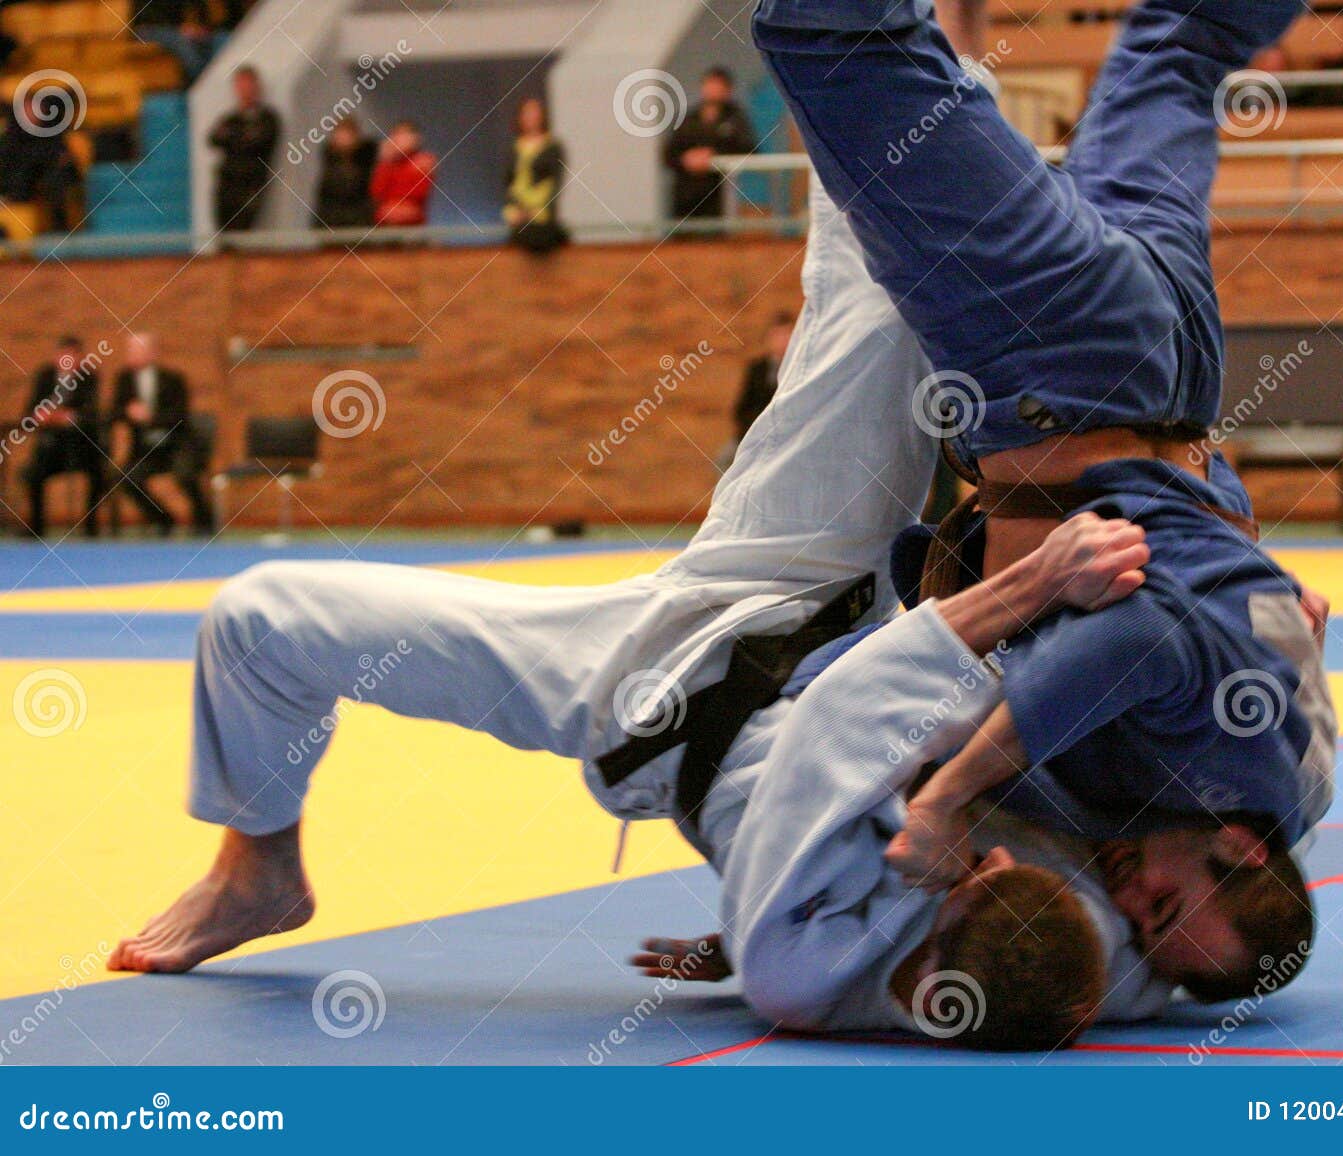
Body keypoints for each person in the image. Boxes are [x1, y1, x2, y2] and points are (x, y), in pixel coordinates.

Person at [106, 173, 1173, 1049]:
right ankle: (910, 55)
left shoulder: (803, 971)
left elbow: (855, 712)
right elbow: (1210, 940)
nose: (989, 852)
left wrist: (1037, 583)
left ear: (936, 953)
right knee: (877, 284)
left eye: (977, 872)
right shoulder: (1080, 964)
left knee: (259, 615)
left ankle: (260, 868)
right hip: (817, 581)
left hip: (650, 689)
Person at [750, 0, 1335, 1001]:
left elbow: (1268, 608)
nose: (1130, 904)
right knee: (827, 36)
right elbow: (1131, 642)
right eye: (1161, 908)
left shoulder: (1278, 772)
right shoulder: (1227, 763)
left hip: (1169, 373)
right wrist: (945, 800)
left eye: (1141, 933)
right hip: (1058, 361)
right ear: (1239, 848)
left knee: (1181, 42)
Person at [110, 333, 215, 537]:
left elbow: (180, 415)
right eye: (130, 350)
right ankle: (162, 518)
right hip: (145, 449)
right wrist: (128, 413)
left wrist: (150, 417)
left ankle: (203, 520)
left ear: (151, 352)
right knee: (126, 477)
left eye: (137, 350)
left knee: (185, 474)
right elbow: (113, 412)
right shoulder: (124, 379)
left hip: (176, 444)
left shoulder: (173, 379)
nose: (132, 355)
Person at [21, 337, 106, 540]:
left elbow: (89, 414)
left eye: (72, 356)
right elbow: (31, 412)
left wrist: (63, 417)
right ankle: (36, 527)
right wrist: (44, 417)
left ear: (79, 357)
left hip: (82, 446)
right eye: (62, 355)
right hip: (51, 448)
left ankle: (91, 527)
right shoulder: (45, 377)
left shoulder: (89, 378)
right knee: (32, 474)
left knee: (100, 473)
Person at [663, 66, 756, 222]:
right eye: (710, 85)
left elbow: (749, 150)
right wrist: (687, 160)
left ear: (728, 90)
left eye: (719, 86)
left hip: (718, 196)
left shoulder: (736, 119)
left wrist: (714, 157)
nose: (713, 90)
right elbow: (668, 154)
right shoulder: (688, 119)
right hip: (686, 196)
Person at [717, 311, 794, 471]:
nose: (783, 341)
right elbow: (742, 408)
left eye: (788, 335)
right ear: (770, 338)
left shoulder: (798, 369)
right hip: (754, 435)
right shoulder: (757, 370)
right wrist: (751, 434)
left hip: (788, 436)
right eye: (778, 335)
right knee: (725, 459)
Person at [207, 66, 280, 232]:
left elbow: (258, 142)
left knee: (245, 234)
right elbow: (213, 139)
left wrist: (233, 138)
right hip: (227, 185)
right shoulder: (230, 118)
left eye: (248, 84)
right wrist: (240, 137)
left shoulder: (268, 117)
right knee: (224, 234)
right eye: (240, 85)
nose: (245, 89)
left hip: (251, 186)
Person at [0, 101, 82, 232]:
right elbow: (8, 162)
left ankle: (59, 230)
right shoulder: (11, 136)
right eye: (27, 110)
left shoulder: (53, 132)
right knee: (19, 176)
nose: (31, 114)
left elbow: (61, 157)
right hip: (21, 179)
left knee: (55, 181)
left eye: (36, 109)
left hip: (49, 175)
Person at [503, 98, 568, 254]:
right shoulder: (513, 149)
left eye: (535, 113)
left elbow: (556, 183)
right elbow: (508, 183)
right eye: (527, 113)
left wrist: (539, 210)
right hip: (518, 217)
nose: (531, 117)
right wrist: (516, 210)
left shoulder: (553, 147)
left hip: (543, 219)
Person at [311, 117, 376, 230]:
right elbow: (323, 200)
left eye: (347, 133)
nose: (343, 138)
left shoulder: (366, 163)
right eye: (339, 133)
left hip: (359, 225)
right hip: (330, 224)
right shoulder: (329, 166)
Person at [370, 121, 436, 228]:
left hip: (413, 225)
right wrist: (386, 161)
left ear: (416, 138)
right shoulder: (387, 163)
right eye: (397, 134)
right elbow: (377, 193)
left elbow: (417, 194)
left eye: (405, 134)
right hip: (385, 224)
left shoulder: (424, 161)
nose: (400, 139)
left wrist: (396, 206)